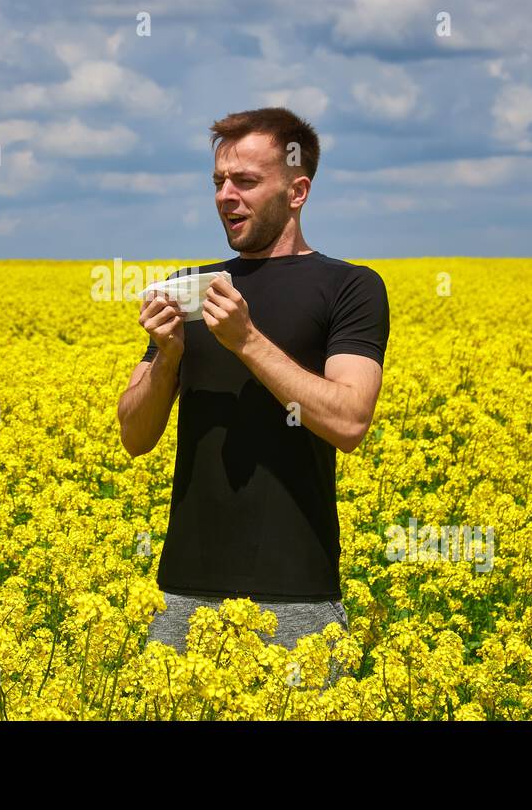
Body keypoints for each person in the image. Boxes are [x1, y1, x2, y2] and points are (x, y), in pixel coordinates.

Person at [116, 107, 390, 688]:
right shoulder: (194, 286)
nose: (225, 196)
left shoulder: (350, 288)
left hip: (297, 595)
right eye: (218, 182)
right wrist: (166, 357)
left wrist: (245, 341)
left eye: (245, 181)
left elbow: (349, 420)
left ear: (297, 190)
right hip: (183, 593)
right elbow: (135, 437)